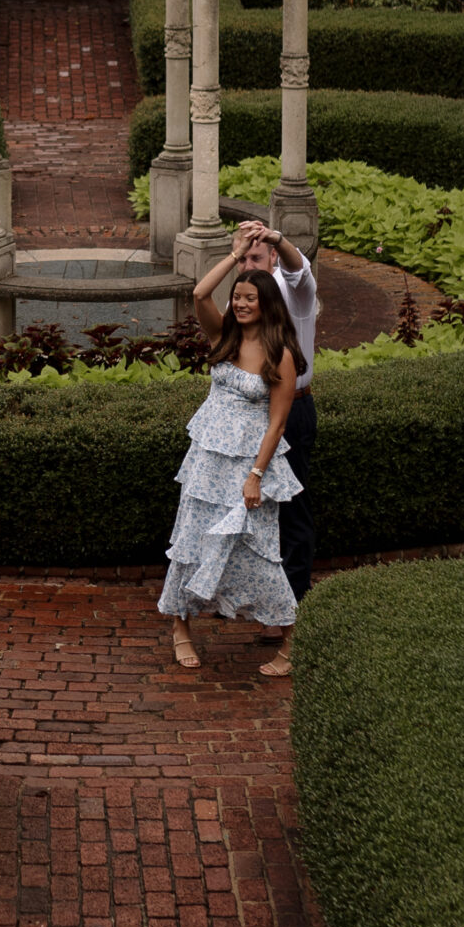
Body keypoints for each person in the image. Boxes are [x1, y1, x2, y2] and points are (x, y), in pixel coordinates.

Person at [159, 253, 306, 676]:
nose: (240, 304)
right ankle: (180, 628)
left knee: (259, 552)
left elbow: (278, 423)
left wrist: (256, 476)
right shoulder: (224, 336)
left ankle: (290, 644)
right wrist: (236, 257)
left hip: (248, 465)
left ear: (267, 304)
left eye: (249, 299)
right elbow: (200, 293)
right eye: (237, 297)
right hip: (206, 459)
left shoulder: (281, 354)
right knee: (191, 539)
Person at [230, 219, 318, 628]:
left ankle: (292, 613)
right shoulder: (245, 300)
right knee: (252, 508)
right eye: (244, 257)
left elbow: (299, 268)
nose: (250, 263)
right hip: (250, 414)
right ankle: (257, 604)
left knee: (291, 511)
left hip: (292, 411)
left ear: (272, 259)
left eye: (257, 256)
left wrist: (276, 238)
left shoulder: (292, 292)